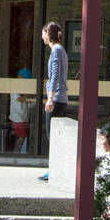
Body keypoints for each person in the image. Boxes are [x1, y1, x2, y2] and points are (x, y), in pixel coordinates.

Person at [37, 22, 67, 181]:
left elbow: (54, 76)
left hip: (56, 99)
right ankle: (56, 169)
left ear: (48, 33)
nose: (42, 36)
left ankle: (54, 171)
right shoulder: (60, 50)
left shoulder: (56, 51)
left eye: (43, 33)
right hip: (61, 99)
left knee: (52, 137)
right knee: (55, 136)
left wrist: (50, 99)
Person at [10, 67, 33, 153]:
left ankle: (16, 152)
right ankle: (17, 152)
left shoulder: (21, 86)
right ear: (21, 77)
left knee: (20, 136)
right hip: (17, 116)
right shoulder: (16, 85)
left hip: (22, 116)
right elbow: (18, 98)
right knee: (22, 135)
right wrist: (28, 96)